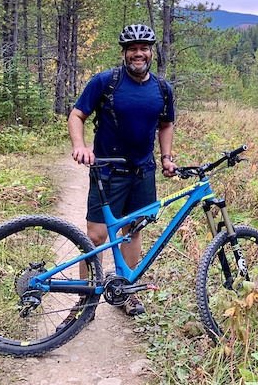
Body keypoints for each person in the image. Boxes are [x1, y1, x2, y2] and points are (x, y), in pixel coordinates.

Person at [64, 24, 176, 325]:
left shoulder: (162, 89)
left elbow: (165, 124)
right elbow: (77, 115)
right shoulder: (105, 82)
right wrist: (80, 146)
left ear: (151, 52)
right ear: (124, 53)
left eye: (143, 48)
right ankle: (86, 300)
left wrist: (166, 157)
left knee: (134, 231)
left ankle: (126, 291)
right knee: (97, 236)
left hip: (143, 172)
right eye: (132, 49)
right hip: (108, 171)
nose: (138, 54)